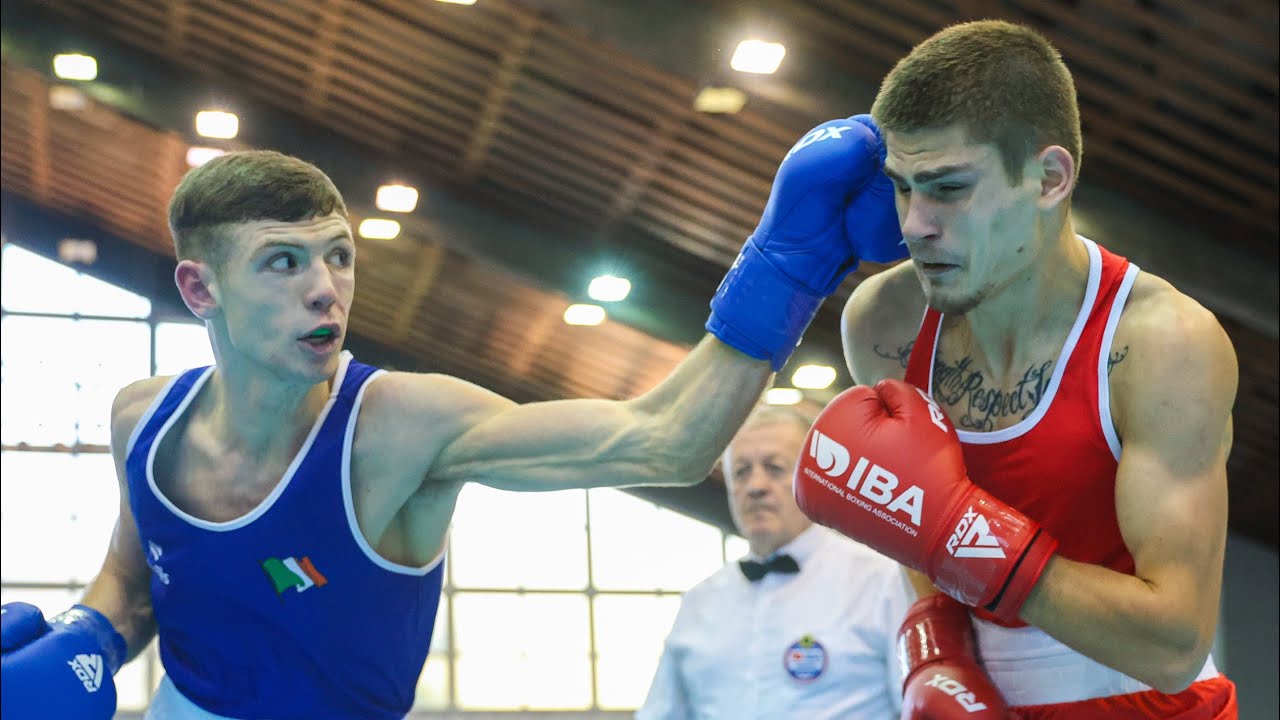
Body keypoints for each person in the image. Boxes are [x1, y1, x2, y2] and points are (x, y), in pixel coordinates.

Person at [0, 108, 908, 718]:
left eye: (339, 256)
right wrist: (88, 639)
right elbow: (134, 578)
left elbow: (662, 440)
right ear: (199, 288)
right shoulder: (142, 421)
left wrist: (788, 266)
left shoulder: (400, 426)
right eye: (284, 262)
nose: (328, 291)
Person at [794, 19, 1239, 719]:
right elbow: (918, 542)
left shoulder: (1160, 344)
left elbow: (1174, 645)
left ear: (1050, 179)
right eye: (903, 187)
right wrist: (934, 654)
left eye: (947, 187)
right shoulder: (885, 325)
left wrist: (967, 534)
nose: (914, 224)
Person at [637, 404, 911, 720]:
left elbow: (916, 706)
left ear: (815, 478)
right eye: (741, 471)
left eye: (775, 467)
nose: (756, 486)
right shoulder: (699, 601)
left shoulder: (880, 580)